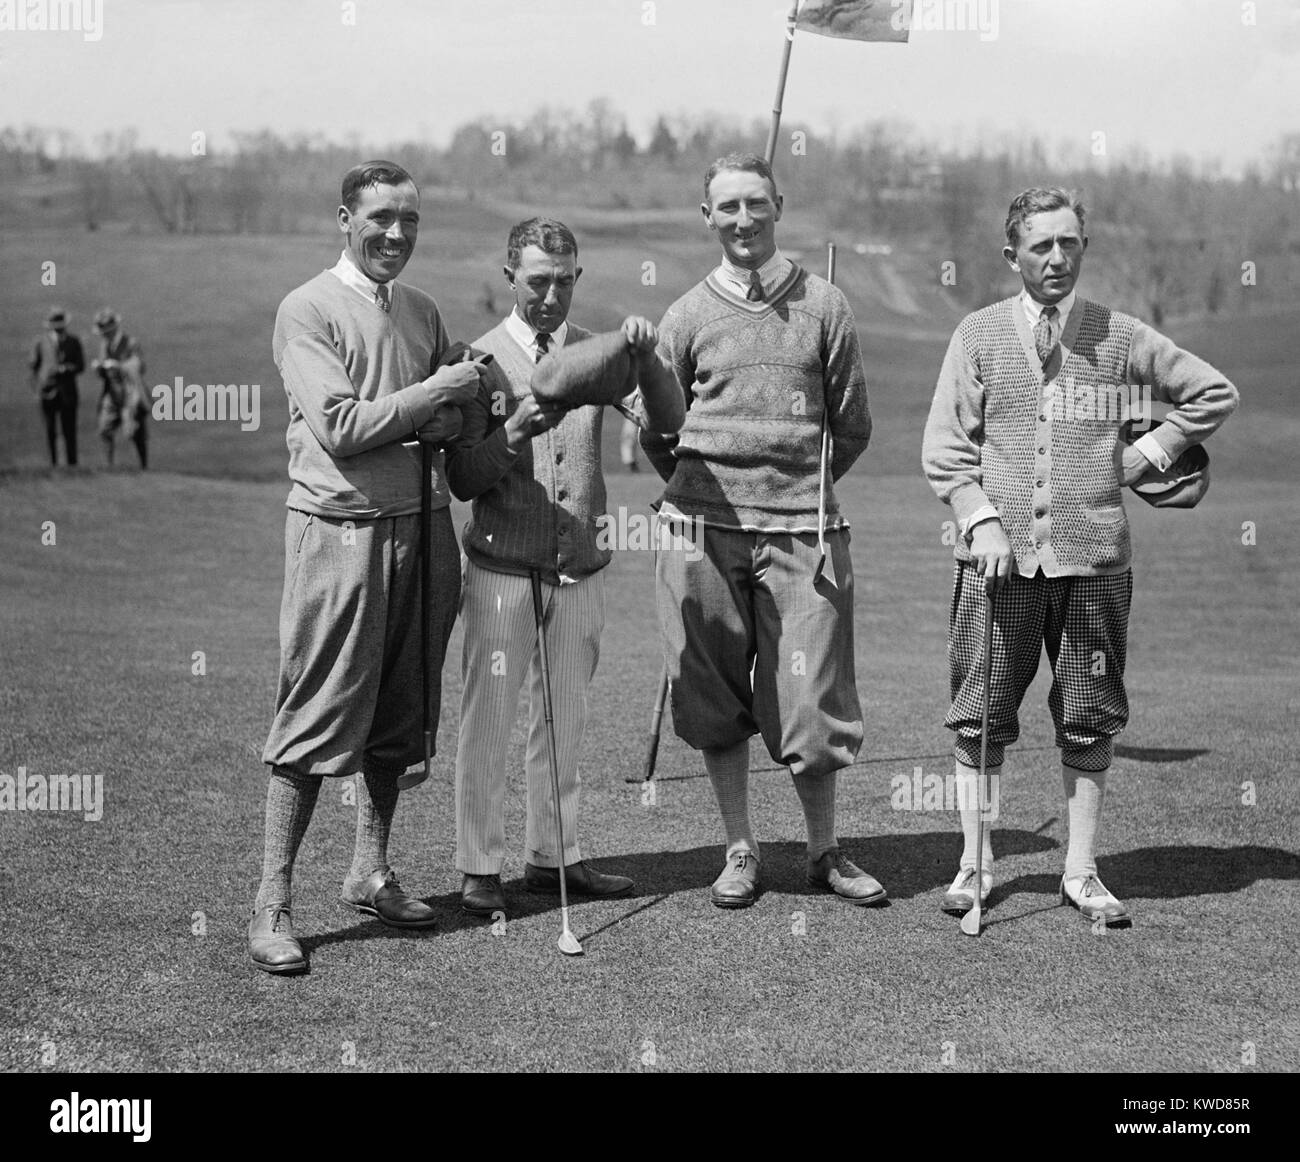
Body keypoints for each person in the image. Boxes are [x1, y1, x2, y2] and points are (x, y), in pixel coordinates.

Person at [922, 186, 1238, 925]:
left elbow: (1212, 393)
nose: (1057, 258)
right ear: (1013, 256)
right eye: (1041, 246)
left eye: (1069, 244)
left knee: (1091, 715)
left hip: (1096, 568)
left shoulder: (1120, 336)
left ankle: (1080, 871)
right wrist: (981, 519)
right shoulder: (977, 335)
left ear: (1082, 249)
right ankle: (975, 864)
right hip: (997, 570)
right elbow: (944, 449)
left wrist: (1150, 451)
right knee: (980, 715)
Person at [248, 160, 487, 974]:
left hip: (425, 530)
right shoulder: (306, 308)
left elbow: (446, 424)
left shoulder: (421, 310)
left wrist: (456, 406)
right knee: (315, 712)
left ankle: (369, 870)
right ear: (344, 219)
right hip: (342, 533)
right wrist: (436, 397)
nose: (395, 234)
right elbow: (344, 427)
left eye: (409, 220)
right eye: (380, 217)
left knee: (401, 711)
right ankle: (272, 904)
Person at [642, 152, 884, 910]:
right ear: (706, 217)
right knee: (712, 697)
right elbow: (661, 432)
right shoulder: (684, 315)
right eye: (727, 207)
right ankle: (740, 849)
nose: (743, 219)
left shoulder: (825, 305)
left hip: (804, 535)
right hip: (699, 535)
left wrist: (789, 492)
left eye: (756, 203)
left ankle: (823, 851)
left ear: (778, 204)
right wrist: (702, 493)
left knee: (811, 705)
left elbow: (853, 427)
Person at [446, 217, 684, 917]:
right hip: (500, 568)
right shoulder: (477, 361)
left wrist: (647, 357)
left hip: (579, 565)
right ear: (509, 275)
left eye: (564, 280)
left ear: (578, 278)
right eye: (537, 280)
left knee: (565, 722)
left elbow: (666, 423)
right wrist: (513, 433)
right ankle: (478, 866)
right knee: (488, 718)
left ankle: (554, 856)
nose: (551, 295)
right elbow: (463, 477)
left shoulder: (597, 353)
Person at [91, 309, 149, 469]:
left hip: (131, 393)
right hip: (111, 393)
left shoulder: (131, 343)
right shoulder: (104, 345)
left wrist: (119, 366)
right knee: (104, 429)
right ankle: (108, 466)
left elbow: (140, 366)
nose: (104, 335)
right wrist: (100, 369)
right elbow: (105, 373)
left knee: (136, 432)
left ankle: (143, 467)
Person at [29, 307, 84, 467]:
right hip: (47, 390)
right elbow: (33, 365)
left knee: (69, 429)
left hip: (68, 391)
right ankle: (53, 463)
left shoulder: (73, 342)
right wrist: (37, 387)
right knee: (50, 429)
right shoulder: (40, 342)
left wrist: (66, 368)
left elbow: (80, 365)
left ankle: (72, 464)